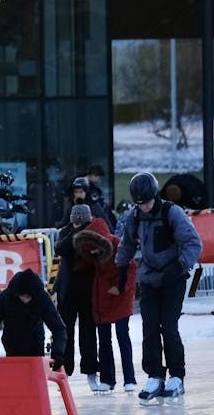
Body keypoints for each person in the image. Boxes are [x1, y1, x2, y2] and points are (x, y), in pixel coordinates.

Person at [115, 172, 203, 402]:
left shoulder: (171, 212)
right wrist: (121, 271)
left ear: (154, 195)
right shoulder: (135, 215)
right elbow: (126, 245)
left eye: (146, 202)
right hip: (150, 280)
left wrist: (180, 267)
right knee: (149, 328)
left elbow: (193, 243)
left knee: (169, 327)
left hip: (173, 279)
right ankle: (154, 375)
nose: (143, 207)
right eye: (139, 203)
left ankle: (176, 375)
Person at [75, 223, 138, 393]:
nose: (93, 252)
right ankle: (107, 379)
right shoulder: (89, 250)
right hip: (101, 297)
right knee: (103, 340)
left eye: (95, 248)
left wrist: (119, 286)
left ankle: (129, 378)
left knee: (122, 336)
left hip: (119, 296)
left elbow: (131, 269)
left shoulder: (118, 245)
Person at [52, 204, 109, 388]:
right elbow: (60, 248)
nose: (77, 222)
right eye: (75, 219)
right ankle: (64, 369)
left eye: (81, 220)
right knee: (65, 330)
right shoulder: (65, 233)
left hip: (88, 289)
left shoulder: (94, 232)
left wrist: (87, 235)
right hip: (67, 290)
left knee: (88, 333)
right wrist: (77, 235)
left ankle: (91, 371)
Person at [0, 268, 66, 368]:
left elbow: (58, 328)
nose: (25, 300)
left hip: (35, 346)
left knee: (34, 379)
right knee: (15, 378)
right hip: (11, 345)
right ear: (16, 293)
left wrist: (57, 354)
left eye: (28, 297)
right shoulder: (5, 298)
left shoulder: (42, 298)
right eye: (22, 296)